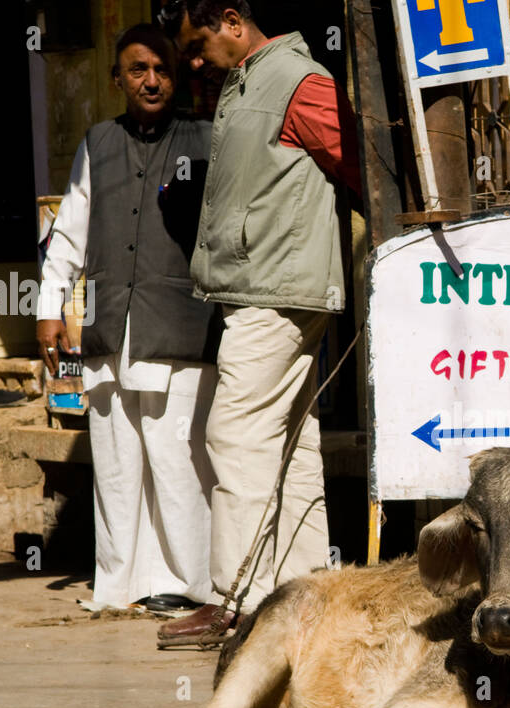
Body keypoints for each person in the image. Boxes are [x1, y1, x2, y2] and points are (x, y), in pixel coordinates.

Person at [156, 1, 361, 640]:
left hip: (277, 288)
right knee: (288, 443)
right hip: (266, 285)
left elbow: (359, 164)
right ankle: (304, 599)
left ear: (231, 20)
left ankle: (242, 600)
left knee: (236, 435)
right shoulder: (252, 82)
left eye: (197, 46)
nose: (192, 62)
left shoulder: (297, 81)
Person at [36, 24, 222, 612]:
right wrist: (47, 309)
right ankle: (120, 583)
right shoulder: (97, 142)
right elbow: (70, 230)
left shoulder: (206, 137)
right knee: (116, 465)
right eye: (137, 69)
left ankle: (183, 583)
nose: (150, 80)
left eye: (161, 69)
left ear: (178, 74)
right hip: (112, 328)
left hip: (180, 327)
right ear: (117, 78)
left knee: (177, 463)